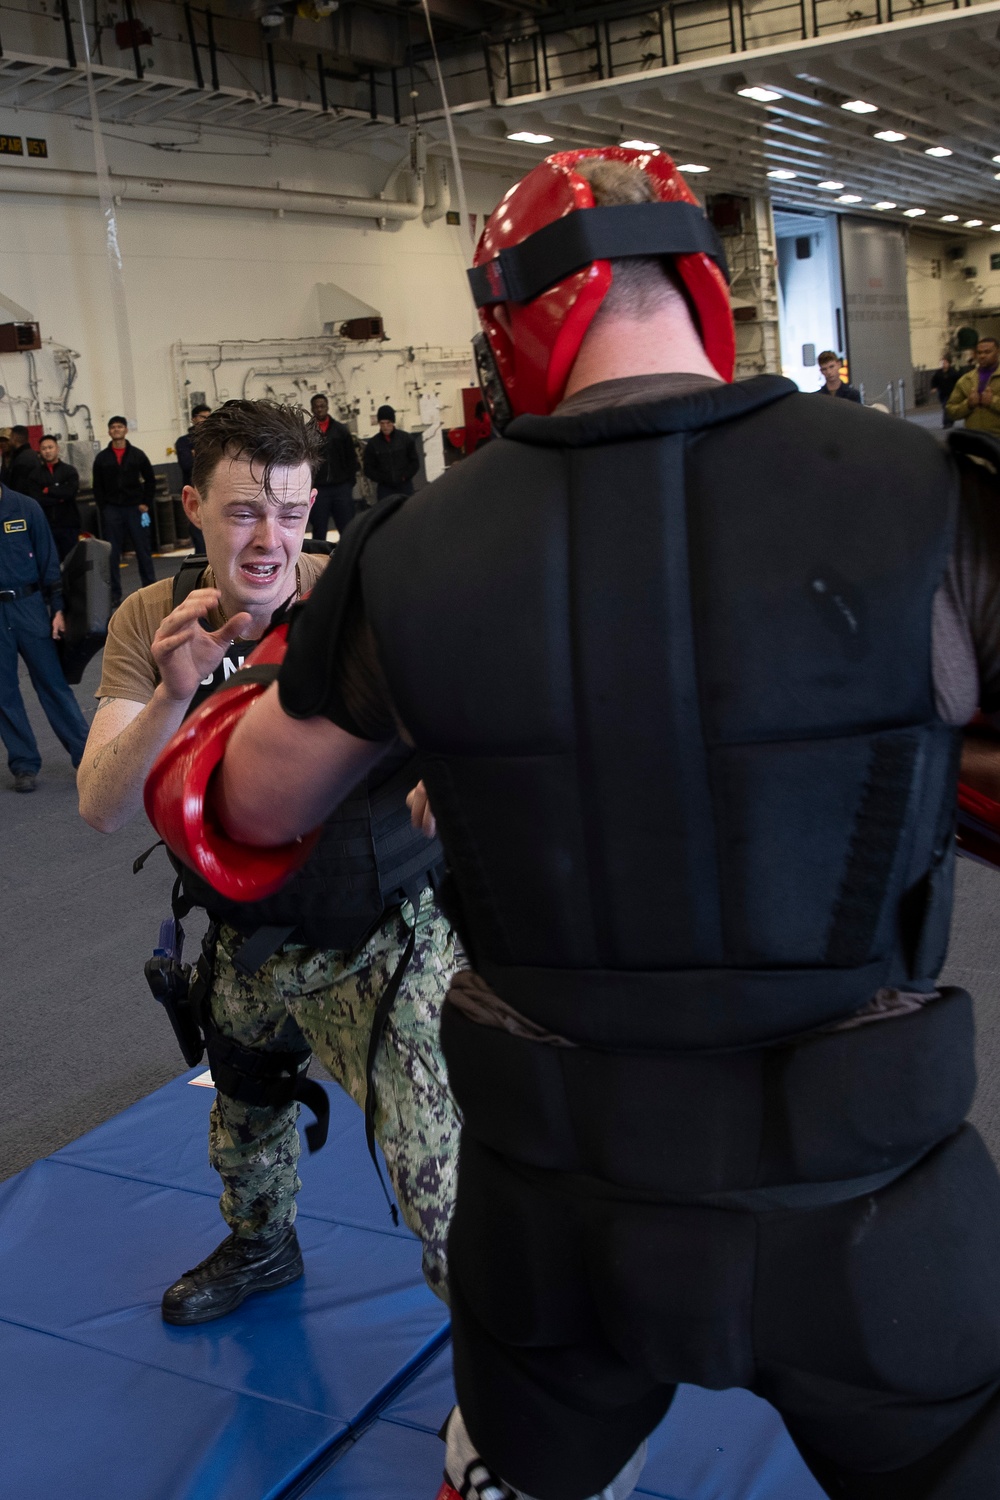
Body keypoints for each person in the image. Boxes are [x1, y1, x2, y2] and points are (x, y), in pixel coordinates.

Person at [147, 148, 1000, 1499]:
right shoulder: (930, 496)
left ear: (510, 326)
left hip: (555, 1212)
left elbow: (232, 808)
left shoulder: (412, 553)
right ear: (707, 285)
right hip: (868, 1208)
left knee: (517, 1474)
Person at [82, 399, 460, 1324]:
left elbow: (498, 679)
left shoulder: (355, 597)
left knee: (446, 1189)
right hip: (248, 940)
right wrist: (173, 699)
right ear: (195, 509)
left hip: (378, 944)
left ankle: (513, 1378)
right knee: (246, 1114)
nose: (271, 539)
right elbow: (100, 804)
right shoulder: (153, 619)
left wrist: (460, 764)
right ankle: (264, 1245)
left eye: (290, 512)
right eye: (245, 510)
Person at [1, 470, 89, 792]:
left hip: (30, 607)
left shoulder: (25, 508)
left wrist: (57, 608)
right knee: (3, 692)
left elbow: (49, 561)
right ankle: (24, 763)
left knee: (52, 684)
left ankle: (86, 754)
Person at [92, 416, 157, 607]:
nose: (116, 429)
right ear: (109, 431)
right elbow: (97, 486)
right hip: (112, 510)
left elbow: (150, 480)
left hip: (134, 508)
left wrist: (145, 502)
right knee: (112, 554)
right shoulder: (102, 458)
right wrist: (104, 508)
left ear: (126, 430)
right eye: (113, 427)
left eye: (120, 426)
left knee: (143, 551)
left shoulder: (137, 455)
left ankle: (150, 590)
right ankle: (114, 594)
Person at [308, 392, 358, 539]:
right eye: (316, 407)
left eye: (322, 406)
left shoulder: (341, 430)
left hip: (341, 487)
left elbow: (351, 457)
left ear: (328, 407)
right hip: (318, 489)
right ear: (312, 409)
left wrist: (349, 482)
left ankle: (348, 560)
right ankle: (319, 561)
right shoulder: (307, 432)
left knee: (347, 528)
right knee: (319, 529)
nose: (319, 409)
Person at [29, 434, 80, 561]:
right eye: (44, 448)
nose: (47, 451)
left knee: (71, 560)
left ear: (57, 449)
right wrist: (59, 498)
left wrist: (48, 490)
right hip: (46, 525)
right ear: (39, 451)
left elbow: (70, 493)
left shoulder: (69, 471)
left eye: (50, 447)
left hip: (69, 524)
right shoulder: (34, 475)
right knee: (52, 560)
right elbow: (37, 500)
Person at [363, 404, 420, 500]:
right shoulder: (373, 444)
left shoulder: (406, 439)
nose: (385, 426)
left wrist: (404, 476)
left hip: (405, 485)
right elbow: (368, 468)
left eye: (388, 423)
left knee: (408, 511)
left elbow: (415, 462)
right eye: (382, 423)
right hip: (385, 488)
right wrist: (382, 479)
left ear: (393, 422)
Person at [175, 404, 211, 552]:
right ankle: (202, 570)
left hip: (213, 490)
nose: (206, 421)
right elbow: (186, 464)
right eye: (203, 417)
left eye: (209, 417)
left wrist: (197, 454)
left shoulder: (215, 439)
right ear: (193, 419)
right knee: (198, 532)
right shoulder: (183, 442)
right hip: (195, 492)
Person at [946, 335, 1000, 435]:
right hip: (974, 441)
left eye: (987, 352)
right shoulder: (965, 380)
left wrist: (993, 401)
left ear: (997, 352)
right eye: (979, 353)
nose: (982, 356)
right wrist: (968, 405)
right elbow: (951, 411)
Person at [4, 425, 42, 493]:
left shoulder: (22, 460)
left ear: (14, 437)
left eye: (10, 437)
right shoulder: (32, 454)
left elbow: (18, 488)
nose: (9, 441)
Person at [930, 354, 960, 428]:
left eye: (945, 363)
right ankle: (950, 421)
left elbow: (959, 380)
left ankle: (946, 423)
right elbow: (933, 381)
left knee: (946, 406)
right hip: (942, 393)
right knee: (946, 407)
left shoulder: (953, 372)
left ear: (948, 363)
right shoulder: (938, 373)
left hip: (951, 393)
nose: (943, 364)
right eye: (942, 363)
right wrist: (934, 388)